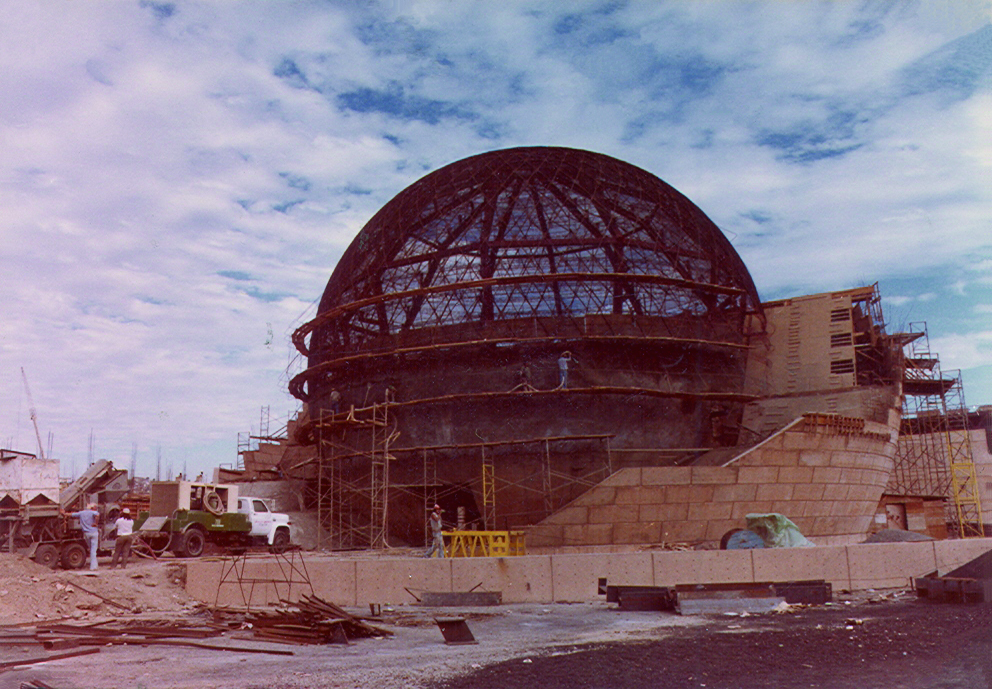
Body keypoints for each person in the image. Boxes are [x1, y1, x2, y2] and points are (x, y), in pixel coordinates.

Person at [63, 502, 101, 570]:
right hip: (94, 532)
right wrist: (96, 523)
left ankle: (95, 564)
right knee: (93, 550)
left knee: (91, 549)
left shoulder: (81, 513)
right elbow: (97, 515)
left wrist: (64, 513)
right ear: (92, 508)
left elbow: (71, 514)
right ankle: (93, 567)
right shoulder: (93, 512)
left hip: (86, 534)